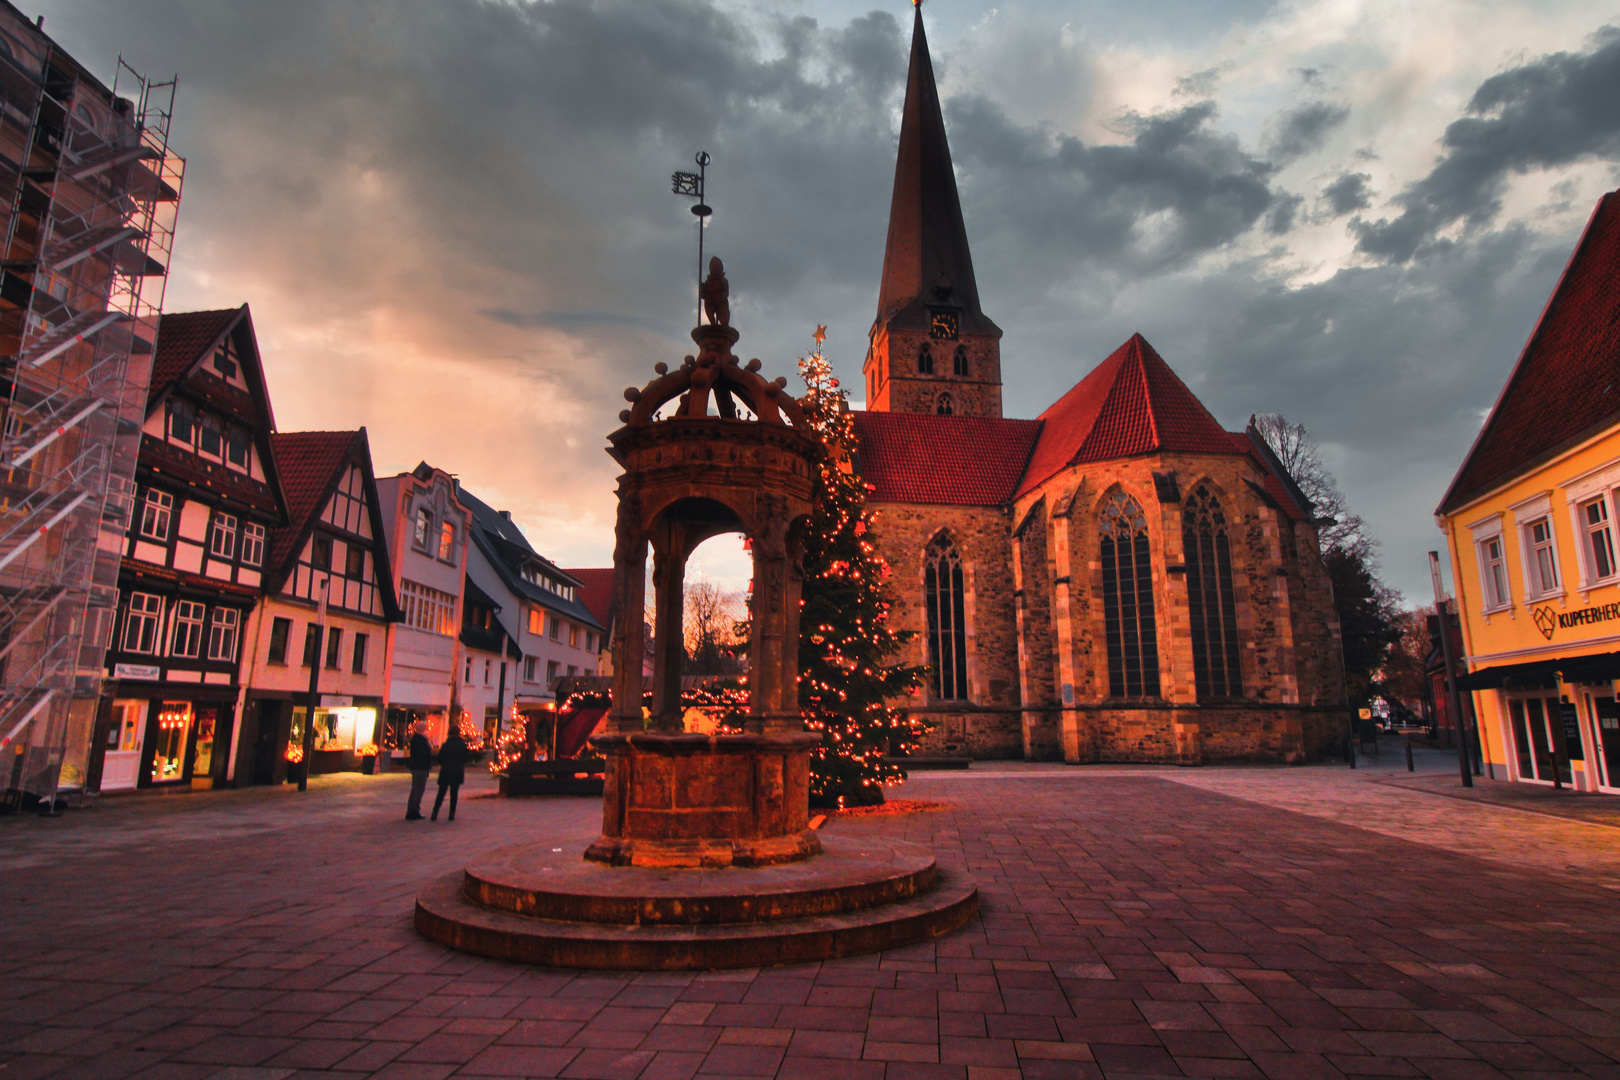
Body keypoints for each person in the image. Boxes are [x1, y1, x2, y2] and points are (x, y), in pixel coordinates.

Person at [431, 725, 468, 821]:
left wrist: (445, 763)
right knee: (454, 793)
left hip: (446, 771)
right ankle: (452, 813)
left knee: (441, 793)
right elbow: (465, 758)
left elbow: (440, 759)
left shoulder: (446, 745)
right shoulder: (462, 745)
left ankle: (435, 812)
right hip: (457, 771)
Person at [404, 718, 431, 821]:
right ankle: (414, 810)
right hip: (420, 767)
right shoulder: (420, 740)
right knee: (418, 789)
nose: (427, 730)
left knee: (415, 789)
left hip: (418, 766)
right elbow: (422, 754)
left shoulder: (417, 739)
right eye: (426, 728)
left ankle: (412, 809)